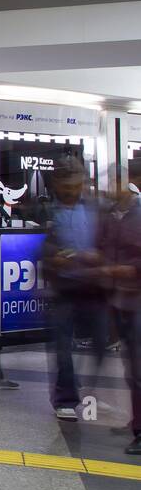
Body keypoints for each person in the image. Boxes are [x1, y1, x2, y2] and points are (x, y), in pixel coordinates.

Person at [38, 157, 109, 421]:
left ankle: (90, 390)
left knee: (101, 341)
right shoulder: (46, 209)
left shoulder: (96, 208)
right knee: (62, 345)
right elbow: (42, 245)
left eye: (76, 184)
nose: (71, 190)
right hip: (63, 288)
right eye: (66, 184)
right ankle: (65, 397)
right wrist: (53, 256)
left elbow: (108, 239)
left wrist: (100, 256)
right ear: (57, 183)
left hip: (93, 285)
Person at [102, 182, 141, 453]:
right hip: (120, 300)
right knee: (131, 369)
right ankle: (138, 421)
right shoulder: (112, 216)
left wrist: (130, 269)